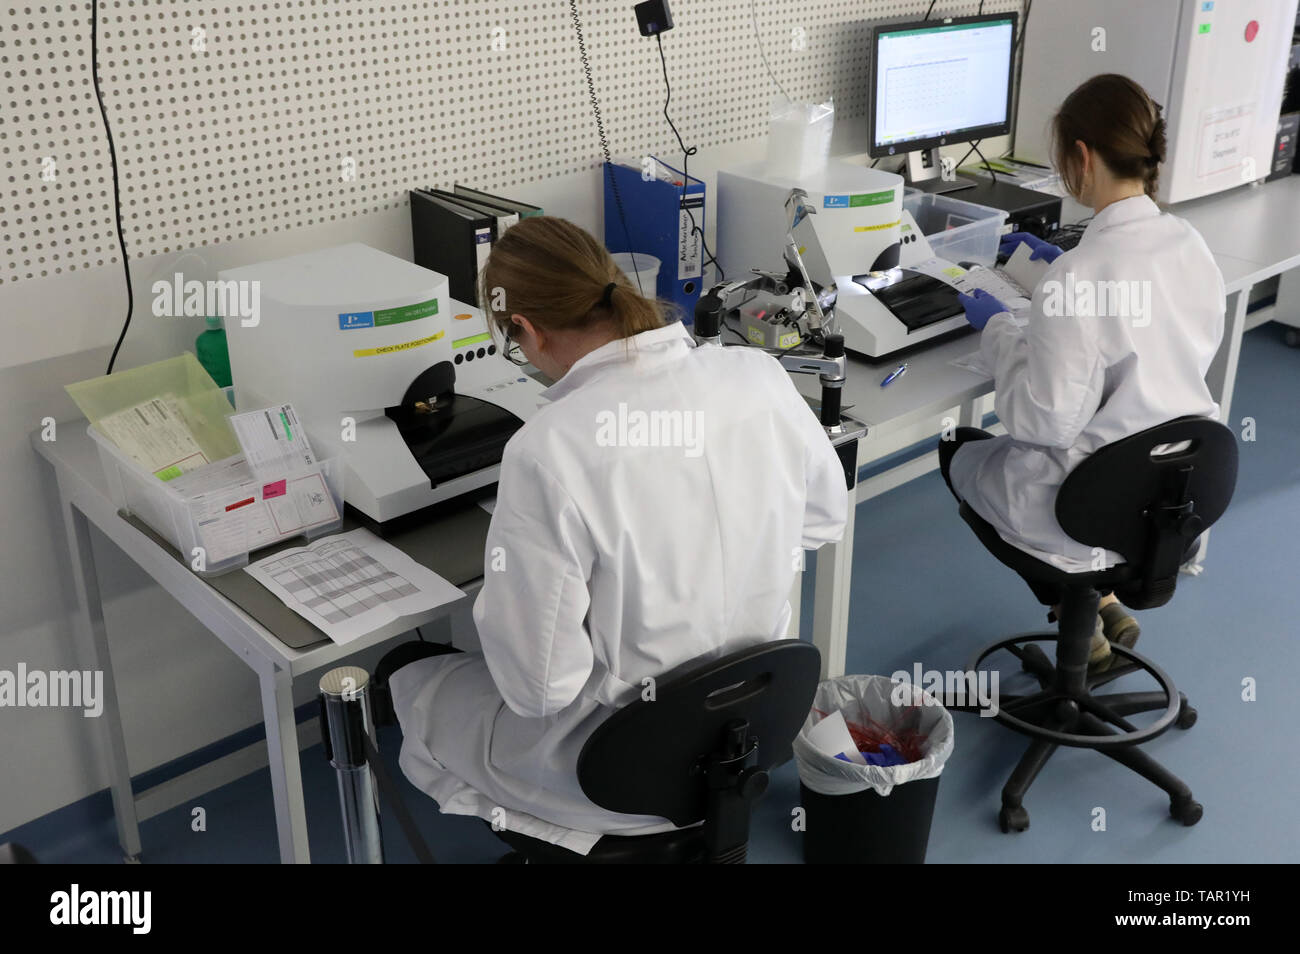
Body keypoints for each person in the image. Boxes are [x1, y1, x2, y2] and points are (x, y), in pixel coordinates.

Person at [382, 216, 849, 855]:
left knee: (408, 679)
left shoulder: (549, 449)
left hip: (620, 768)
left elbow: (540, 688)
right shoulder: (756, 375)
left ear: (526, 330)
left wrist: (504, 593)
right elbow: (824, 521)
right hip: (749, 727)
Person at [941, 74, 1225, 666]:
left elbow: (1042, 423)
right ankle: (1099, 603)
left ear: (1080, 156)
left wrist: (999, 329)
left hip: (1084, 504)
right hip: (1171, 495)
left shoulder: (1081, 273)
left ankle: (1085, 602)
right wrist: (1054, 287)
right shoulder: (1189, 243)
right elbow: (1147, 333)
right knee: (1090, 482)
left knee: (957, 448)